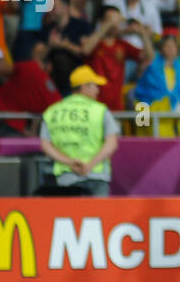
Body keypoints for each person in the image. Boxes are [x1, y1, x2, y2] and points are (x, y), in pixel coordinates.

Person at [39, 66, 121, 196]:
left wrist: (69, 162)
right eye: (95, 86)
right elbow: (111, 143)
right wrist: (90, 165)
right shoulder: (100, 110)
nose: (97, 90)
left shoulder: (53, 111)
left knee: (70, 216)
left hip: (66, 177)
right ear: (84, 87)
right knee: (99, 215)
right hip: (96, 175)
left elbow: (45, 145)